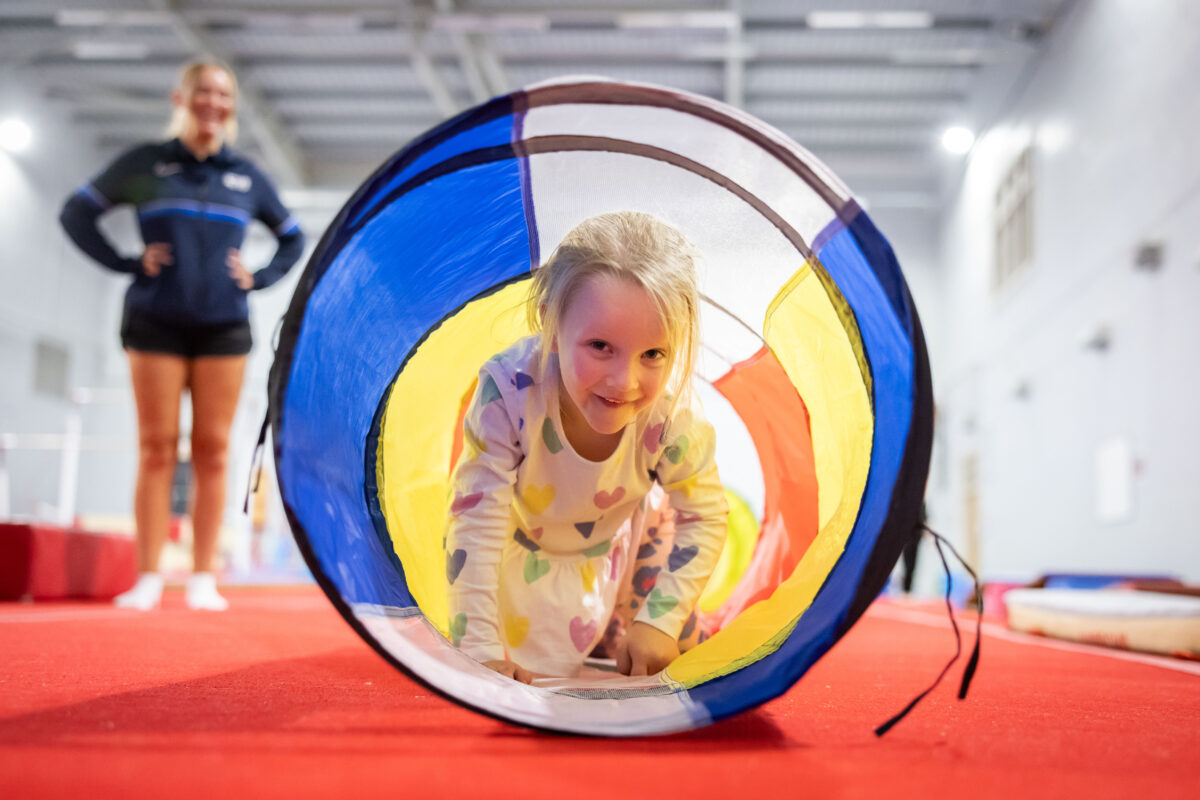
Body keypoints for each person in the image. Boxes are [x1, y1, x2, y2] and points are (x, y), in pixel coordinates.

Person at [59, 60, 305, 611]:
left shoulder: (245, 174)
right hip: (155, 322)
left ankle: (201, 577)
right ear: (182, 97)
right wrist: (127, 262)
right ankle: (148, 576)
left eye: (223, 94)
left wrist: (258, 277)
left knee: (214, 450)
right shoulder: (147, 165)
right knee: (157, 448)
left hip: (224, 326)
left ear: (230, 106)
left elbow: (292, 237)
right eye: (203, 92)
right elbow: (77, 214)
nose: (213, 102)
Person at [446, 211, 728, 683]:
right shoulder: (510, 392)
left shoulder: (672, 414)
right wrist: (478, 645)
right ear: (550, 325)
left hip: (631, 543)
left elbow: (706, 515)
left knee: (665, 659)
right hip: (522, 546)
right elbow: (475, 519)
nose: (626, 381)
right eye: (600, 346)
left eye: (653, 354)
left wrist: (660, 621)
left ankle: (629, 621)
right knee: (501, 672)